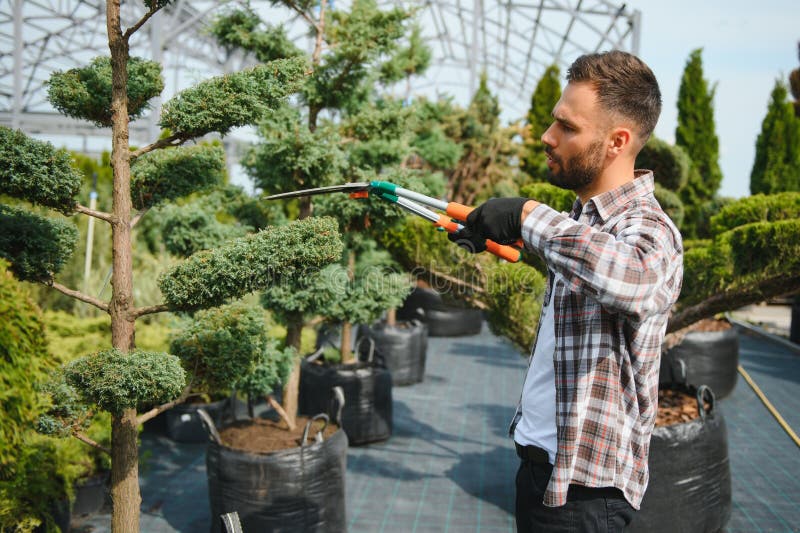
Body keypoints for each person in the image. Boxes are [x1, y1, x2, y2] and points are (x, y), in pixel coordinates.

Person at [450, 50, 684, 532]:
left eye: (567, 127)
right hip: (540, 473)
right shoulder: (581, 224)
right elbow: (586, 262)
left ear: (617, 141)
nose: (546, 137)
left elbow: (631, 278)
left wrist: (527, 215)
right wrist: (512, 235)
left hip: (587, 499)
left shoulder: (651, 231)